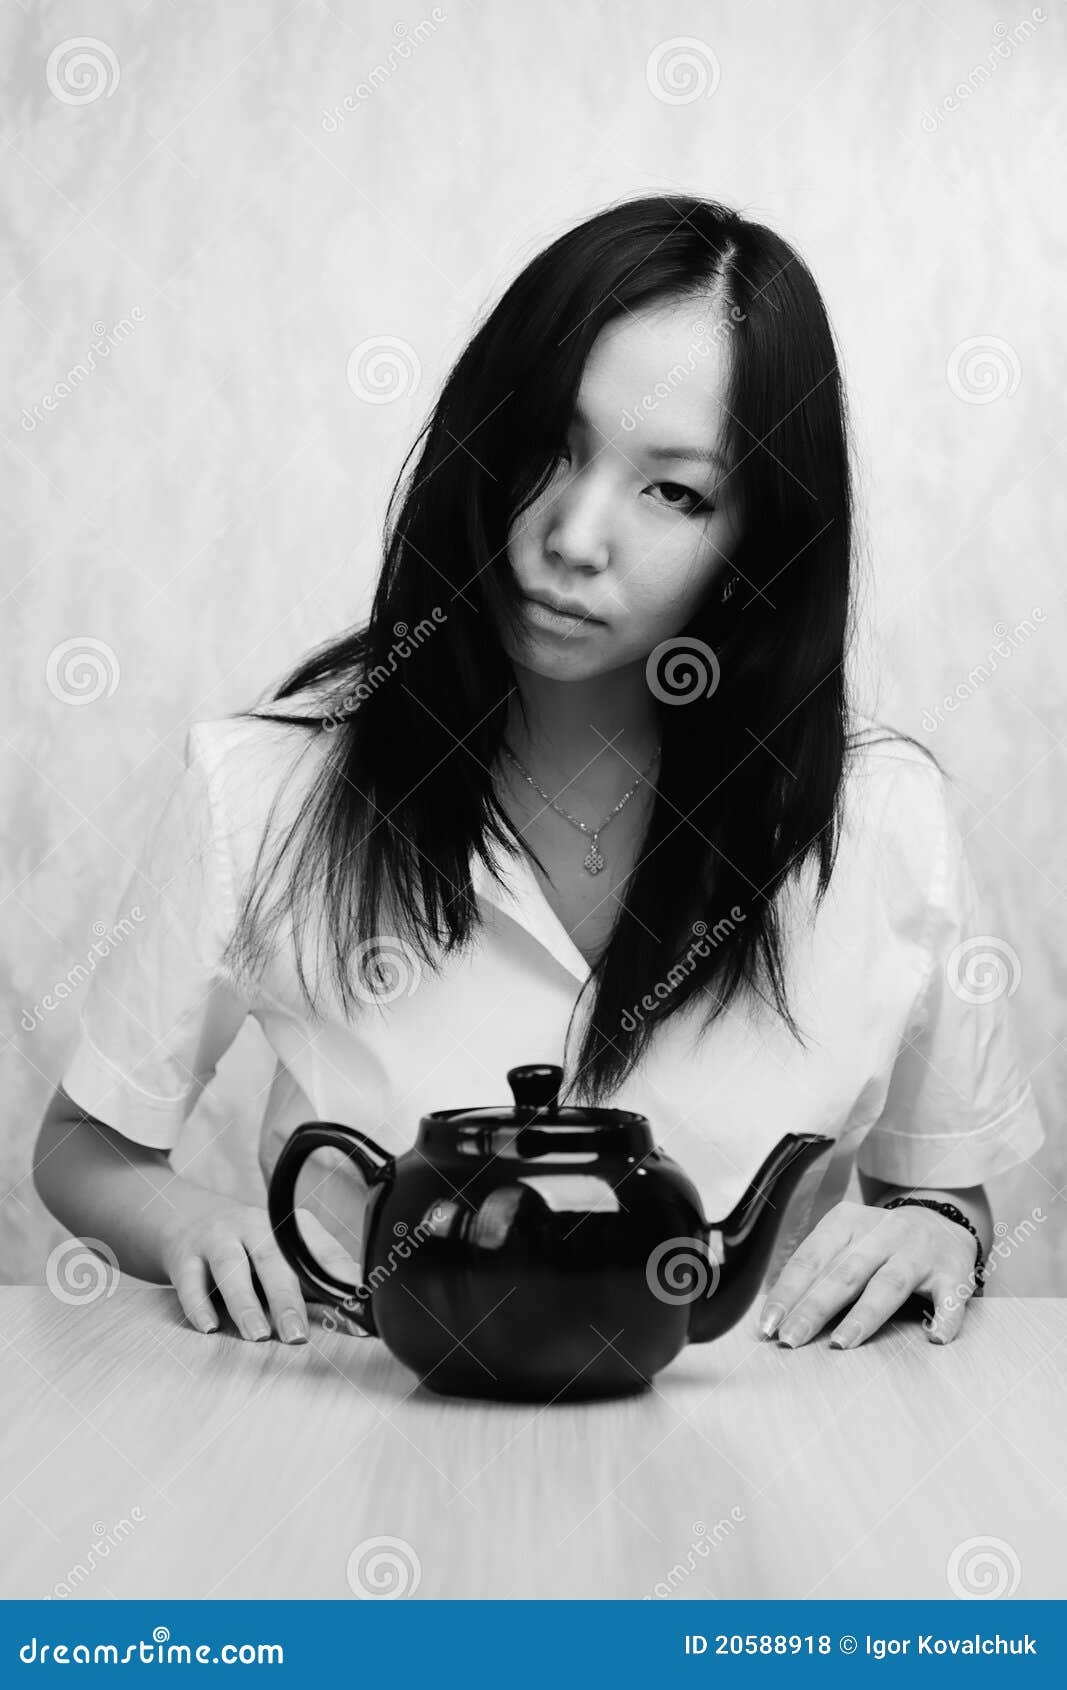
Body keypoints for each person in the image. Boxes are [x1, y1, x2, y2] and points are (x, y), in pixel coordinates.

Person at [33, 194, 1044, 1361]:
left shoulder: (878, 820)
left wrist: (937, 1234)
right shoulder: (262, 786)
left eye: (673, 491)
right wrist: (182, 1219)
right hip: (373, 1446)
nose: (571, 536)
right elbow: (83, 1143)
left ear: (755, 539)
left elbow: (939, 1188)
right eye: (546, 448)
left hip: (743, 1476)